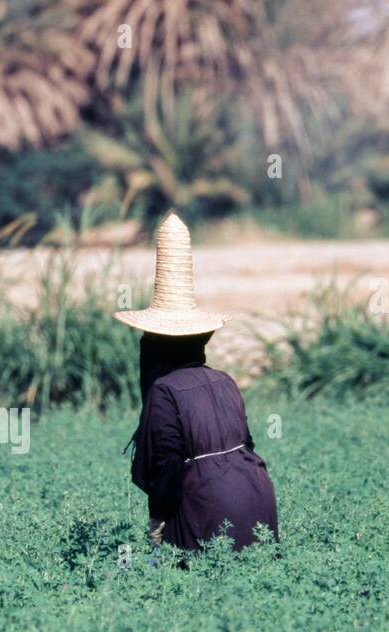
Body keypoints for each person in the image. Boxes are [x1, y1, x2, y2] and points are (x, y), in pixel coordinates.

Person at [117, 213, 279, 554]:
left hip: (210, 515)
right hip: (260, 508)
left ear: (156, 342)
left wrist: (157, 523)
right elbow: (246, 446)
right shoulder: (224, 381)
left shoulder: (165, 391)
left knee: (176, 581)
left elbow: (168, 470)